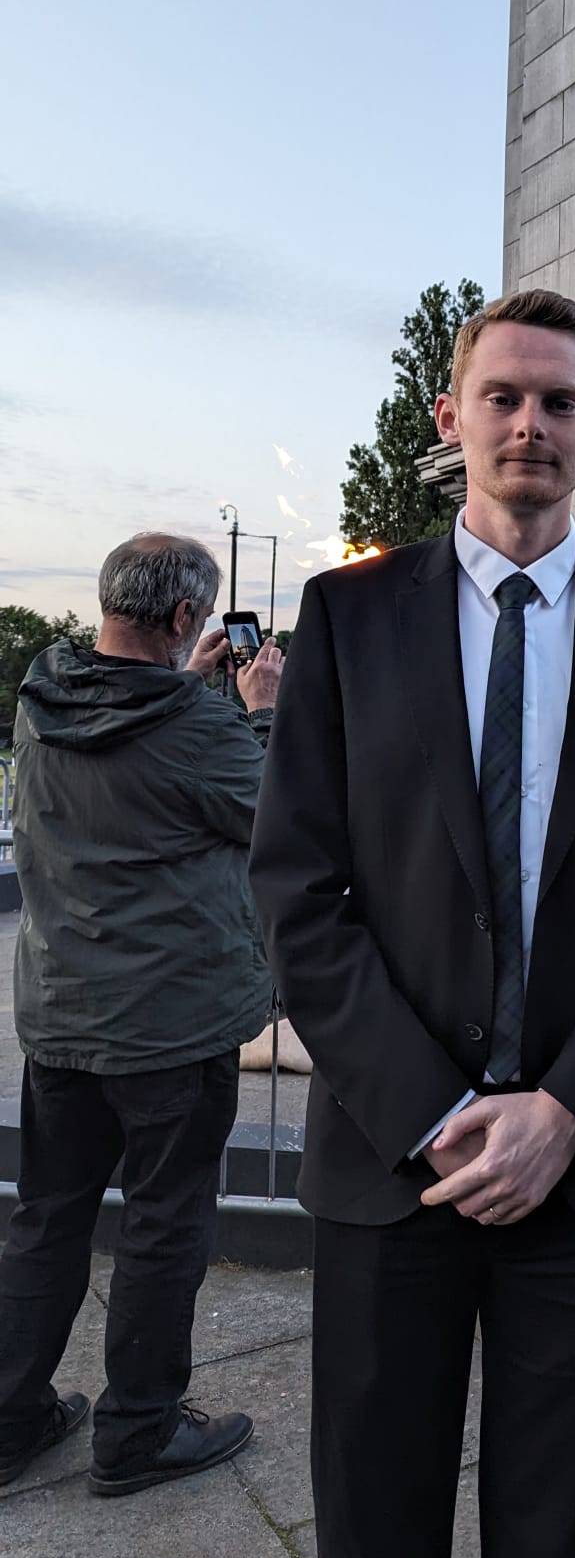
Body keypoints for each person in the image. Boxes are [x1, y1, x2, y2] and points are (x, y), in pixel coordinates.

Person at [250, 287, 575, 1558]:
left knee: (556, 1534)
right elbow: (301, 887)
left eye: (561, 403)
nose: (531, 424)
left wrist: (566, 1109)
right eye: (507, 397)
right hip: (391, 1161)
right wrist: (436, 1112)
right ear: (452, 418)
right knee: (373, 1526)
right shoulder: (349, 623)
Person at [0, 533, 282, 1496]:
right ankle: (138, 1433)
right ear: (182, 619)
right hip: (168, 1027)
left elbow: (134, 753)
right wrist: (261, 715)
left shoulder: (42, 699)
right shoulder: (198, 730)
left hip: (62, 1019)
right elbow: (274, 814)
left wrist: (188, 685)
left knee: (46, 1220)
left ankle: (9, 1421)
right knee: (164, 1227)